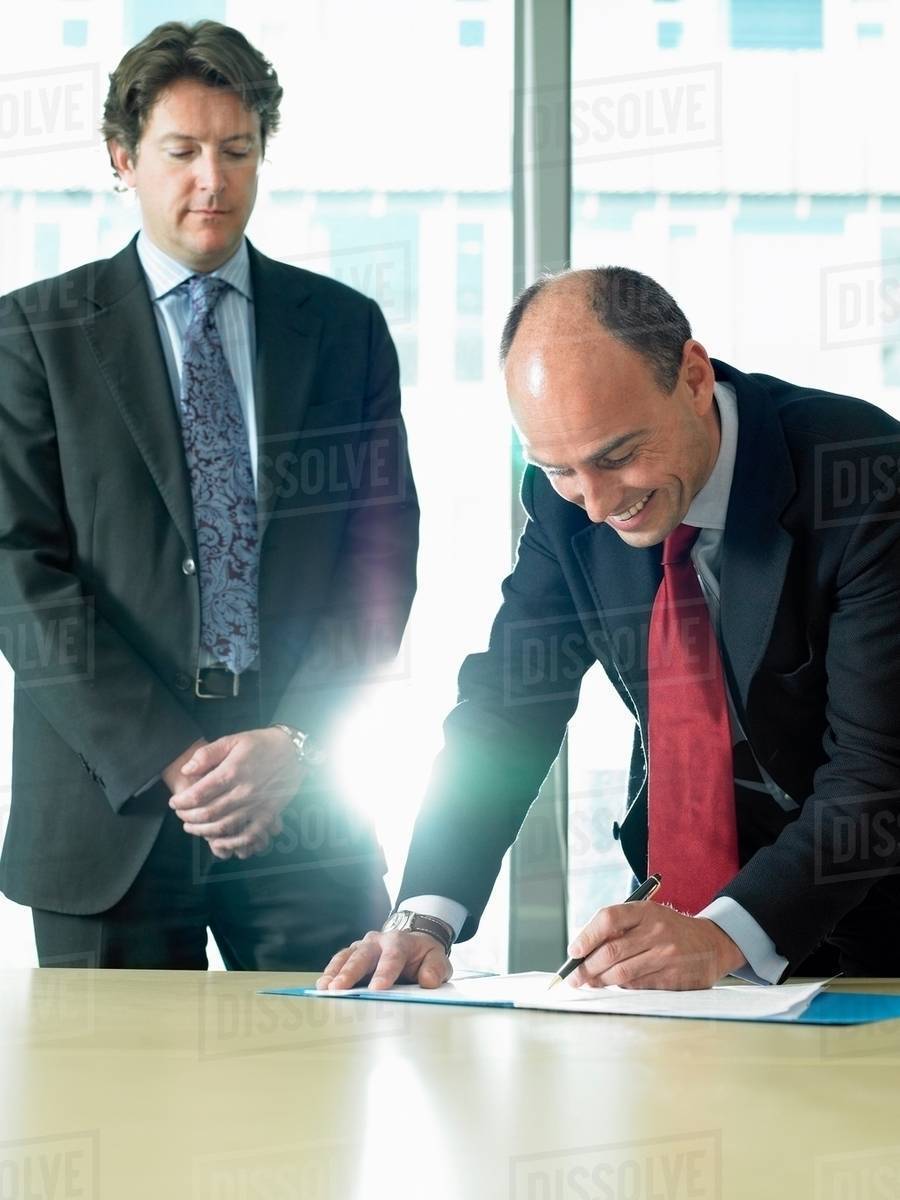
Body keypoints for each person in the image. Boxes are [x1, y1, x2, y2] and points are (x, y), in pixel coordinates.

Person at [318, 266, 900, 993]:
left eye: (617, 457)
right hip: (694, 923)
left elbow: (878, 773)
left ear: (692, 377)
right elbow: (507, 706)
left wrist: (724, 933)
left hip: (875, 918)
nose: (594, 505)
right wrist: (424, 915)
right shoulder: (566, 502)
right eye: (558, 468)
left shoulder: (863, 475)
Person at [0, 20, 418, 969]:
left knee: (317, 1100)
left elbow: (381, 559)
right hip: (111, 811)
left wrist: (297, 738)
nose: (212, 181)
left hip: (304, 811)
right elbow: (18, 574)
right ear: (123, 158)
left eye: (237, 151)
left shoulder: (343, 330)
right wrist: (171, 756)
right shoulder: (35, 333)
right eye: (181, 152)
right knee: (117, 1110)